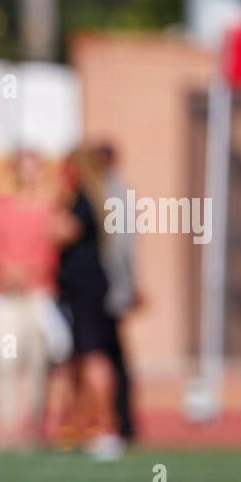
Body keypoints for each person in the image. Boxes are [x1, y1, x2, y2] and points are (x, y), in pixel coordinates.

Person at [0, 149, 59, 448]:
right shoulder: (1, 207)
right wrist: (6, 269)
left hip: (38, 292)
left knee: (37, 360)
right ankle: (7, 424)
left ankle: (31, 425)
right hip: (7, 294)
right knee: (5, 358)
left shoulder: (49, 208)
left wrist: (30, 270)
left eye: (34, 168)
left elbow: (53, 248)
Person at [51, 145, 122, 461]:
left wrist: (52, 208)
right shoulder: (89, 198)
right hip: (81, 291)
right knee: (81, 359)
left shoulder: (83, 201)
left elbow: (57, 233)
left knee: (94, 358)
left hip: (86, 291)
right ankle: (83, 426)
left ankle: (107, 429)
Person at [94, 141, 140, 443]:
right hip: (106, 286)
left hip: (103, 287)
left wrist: (125, 287)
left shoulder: (108, 192)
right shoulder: (109, 190)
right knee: (112, 357)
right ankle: (120, 422)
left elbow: (121, 247)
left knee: (103, 357)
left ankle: (117, 423)